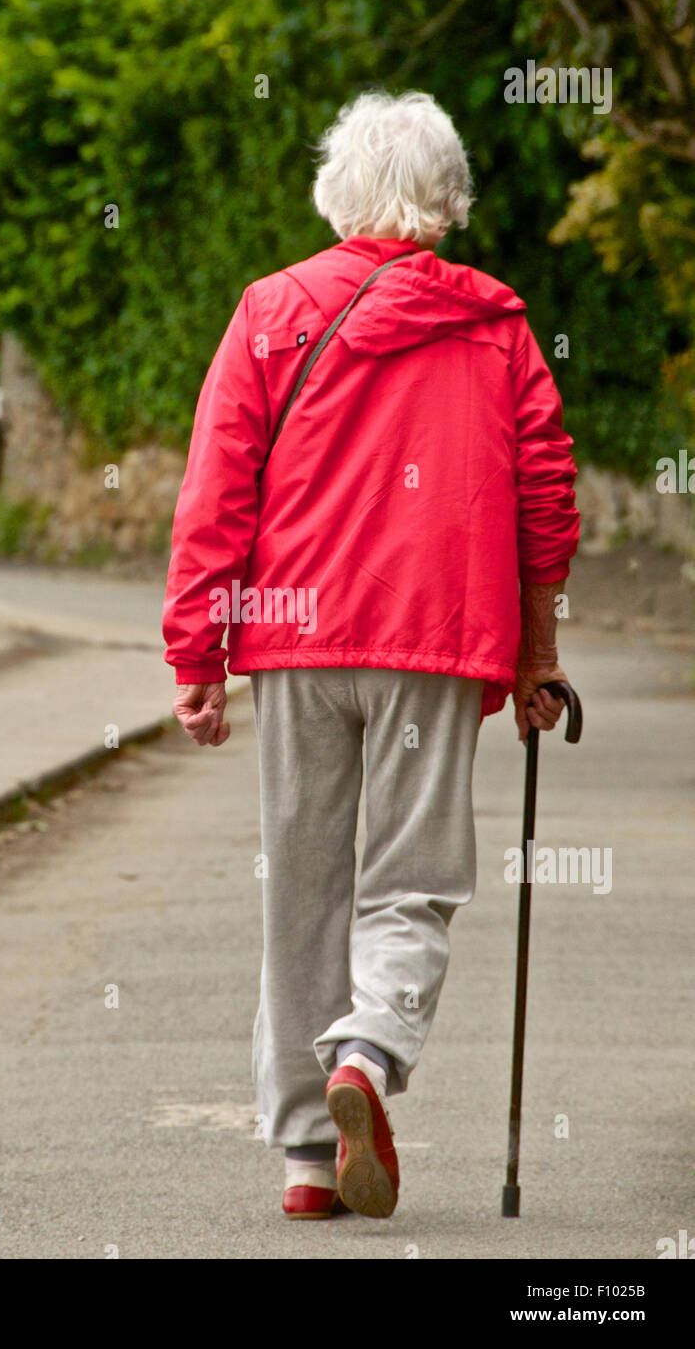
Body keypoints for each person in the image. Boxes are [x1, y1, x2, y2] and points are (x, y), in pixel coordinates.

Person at [162, 90, 580, 1222]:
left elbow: (216, 489)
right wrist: (535, 650)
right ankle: (364, 1055)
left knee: (299, 887)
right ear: (447, 199)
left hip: (292, 638)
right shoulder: (495, 327)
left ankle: (305, 1156)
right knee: (410, 878)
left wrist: (195, 648)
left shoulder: (267, 311)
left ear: (335, 192)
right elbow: (545, 495)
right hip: (434, 641)